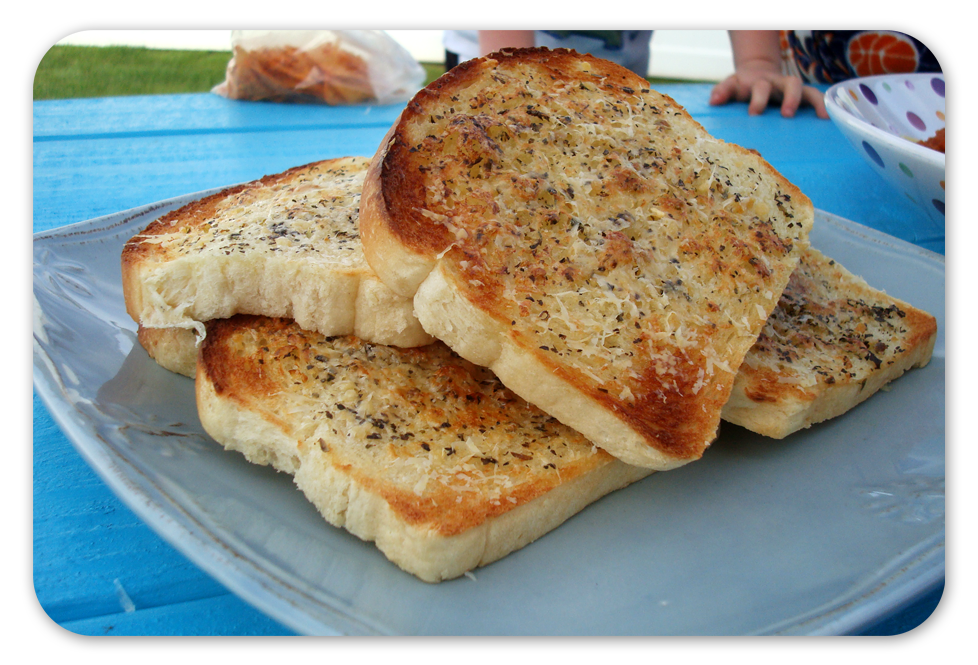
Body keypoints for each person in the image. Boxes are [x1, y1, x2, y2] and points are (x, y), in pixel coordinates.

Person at [442, 30, 941, 119]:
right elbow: (504, 59)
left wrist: (758, 63)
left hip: (612, 66)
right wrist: (509, 86)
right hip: (490, 60)